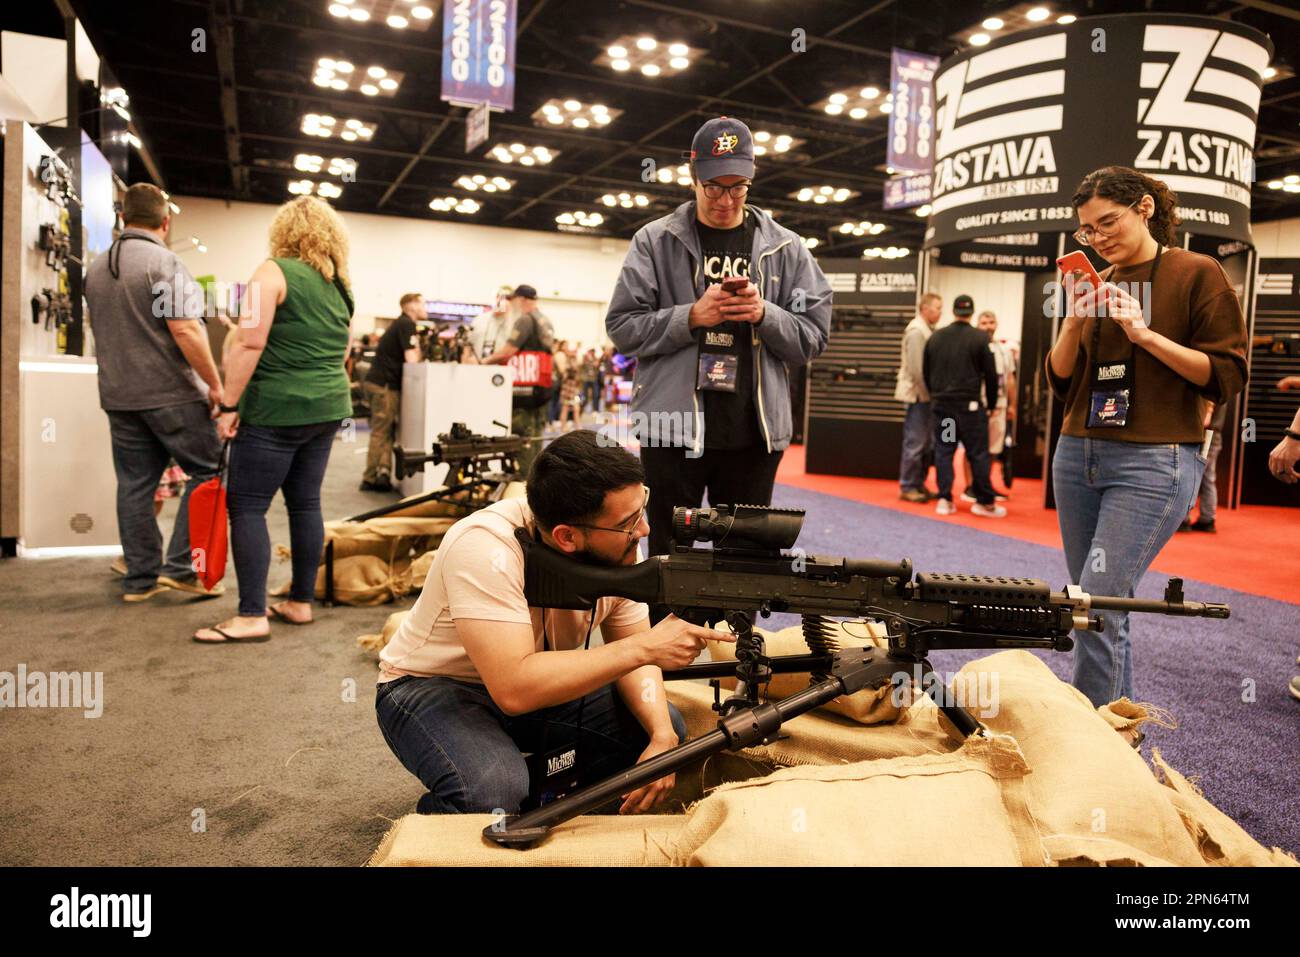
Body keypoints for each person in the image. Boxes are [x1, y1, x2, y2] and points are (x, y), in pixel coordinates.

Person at [375, 429, 727, 814]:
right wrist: (644, 646)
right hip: (429, 687)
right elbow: (514, 688)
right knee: (493, 793)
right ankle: (487, 798)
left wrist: (661, 736)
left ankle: (525, 795)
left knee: (664, 729)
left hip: (533, 685)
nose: (643, 530)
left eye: (641, 508)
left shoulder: (618, 540)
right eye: (629, 522)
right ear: (567, 537)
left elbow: (635, 663)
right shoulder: (483, 546)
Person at [1047, 166, 1247, 707]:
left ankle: (1091, 743)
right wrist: (1071, 321)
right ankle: (1119, 737)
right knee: (1097, 607)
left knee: (1096, 603)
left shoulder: (1197, 272)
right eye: (1088, 231)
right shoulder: (1102, 281)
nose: (1099, 236)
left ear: (1145, 208)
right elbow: (1062, 381)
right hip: (1077, 452)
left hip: (1154, 460)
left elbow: (1226, 375)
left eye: (1107, 221)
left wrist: (1143, 334)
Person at [606, 115, 832, 574]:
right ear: (693, 177)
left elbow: (812, 338)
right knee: (670, 557)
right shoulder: (653, 241)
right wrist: (691, 316)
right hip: (671, 431)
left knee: (747, 564)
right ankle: (667, 643)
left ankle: (737, 645)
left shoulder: (787, 249)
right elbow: (623, 327)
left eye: (738, 187)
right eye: (714, 187)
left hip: (754, 433)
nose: (726, 200)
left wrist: (764, 314)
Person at [193, 196, 355, 643]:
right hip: (326, 408)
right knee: (305, 504)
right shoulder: (340, 285)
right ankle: (301, 603)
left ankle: (250, 615)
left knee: (247, 506)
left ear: (283, 232)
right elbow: (342, 352)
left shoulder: (272, 272)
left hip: (275, 410)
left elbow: (249, 343)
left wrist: (228, 405)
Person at [84, 182, 225, 602]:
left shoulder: (95, 266)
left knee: (134, 485)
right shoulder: (163, 262)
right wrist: (215, 385)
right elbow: (185, 329)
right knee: (210, 471)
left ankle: (140, 579)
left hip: (119, 395)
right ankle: (180, 568)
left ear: (123, 218)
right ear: (165, 222)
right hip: (172, 394)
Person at [924, 294, 1003, 518]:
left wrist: (936, 397)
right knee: (977, 453)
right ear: (971, 312)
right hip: (969, 411)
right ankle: (985, 502)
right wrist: (992, 404)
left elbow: (926, 371)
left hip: (945, 409)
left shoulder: (936, 337)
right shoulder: (980, 338)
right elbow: (990, 375)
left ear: (953, 311)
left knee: (945, 451)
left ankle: (945, 499)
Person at [483, 284, 555, 476]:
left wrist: (484, 362)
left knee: (522, 441)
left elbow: (508, 351)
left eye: (513, 300)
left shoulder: (524, 320)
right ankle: (534, 481)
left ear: (522, 299)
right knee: (535, 439)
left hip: (524, 392)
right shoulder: (544, 320)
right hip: (541, 390)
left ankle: (523, 487)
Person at [361, 294, 424, 491]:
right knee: (381, 431)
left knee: (386, 430)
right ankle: (370, 477)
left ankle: (383, 473)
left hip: (380, 383)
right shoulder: (406, 324)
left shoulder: (401, 323)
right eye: (422, 302)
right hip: (385, 385)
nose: (425, 307)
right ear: (411, 305)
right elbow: (412, 358)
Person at [961, 310, 1015, 503]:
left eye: (991, 322)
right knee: (973, 448)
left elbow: (1009, 379)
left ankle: (984, 484)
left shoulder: (1004, 351)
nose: (988, 326)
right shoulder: (971, 348)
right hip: (978, 405)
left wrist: (1011, 405)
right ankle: (969, 487)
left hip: (999, 406)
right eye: (984, 323)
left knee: (993, 448)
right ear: (978, 325)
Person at [895, 292, 942, 502]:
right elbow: (916, 370)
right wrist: (928, 395)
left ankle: (918, 483)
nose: (940, 312)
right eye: (937, 308)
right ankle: (908, 486)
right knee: (915, 443)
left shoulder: (926, 330)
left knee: (925, 444)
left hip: (924, 396)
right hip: (918, 396)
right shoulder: (916, 331)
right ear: (925, 308)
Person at [1178, 399, 1227, 532]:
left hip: (1206, 437)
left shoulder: (1210, 394)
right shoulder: (1222, 390)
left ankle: (1183, 519)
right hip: (1214, 436)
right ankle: (1207, 519)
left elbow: (1206, 420)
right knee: (1208, 479)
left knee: (1191, 477)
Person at [462, 285, 514, 364]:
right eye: (500, 297)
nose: (502, 301)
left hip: (501, 371)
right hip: (477, 368)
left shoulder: (514, 323)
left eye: (508, 298)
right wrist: (465, 363)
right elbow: (467, 346)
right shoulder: (479, 320)